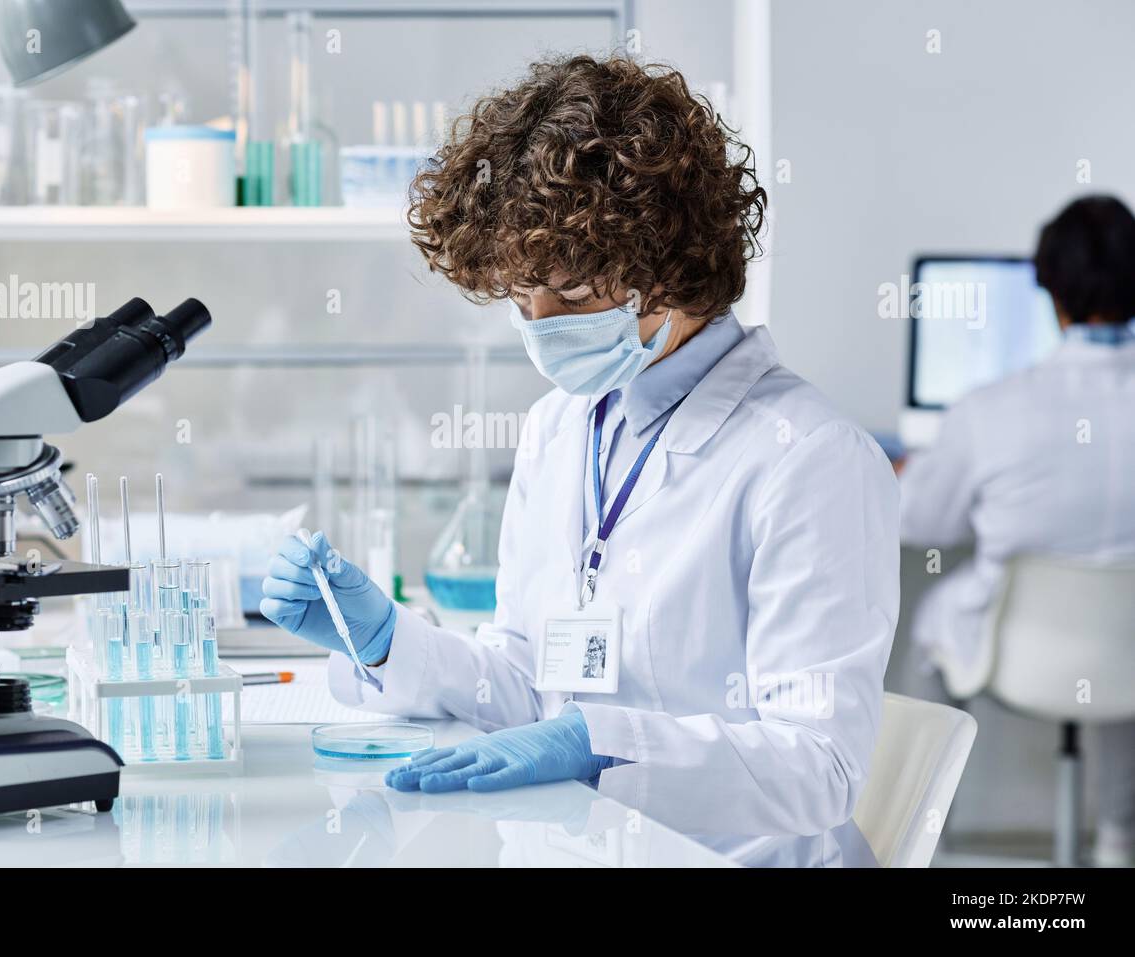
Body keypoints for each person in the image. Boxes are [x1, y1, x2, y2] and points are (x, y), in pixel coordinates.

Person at [262, 55, 898, 866]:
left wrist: (599, 741)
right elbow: (528, 684)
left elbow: (820, 767)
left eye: (567, 293)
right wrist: (385, 641)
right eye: (522, 300)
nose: (540, 326)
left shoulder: (809, 460)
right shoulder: (560, 428)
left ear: (667, 260)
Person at [898, 195, 1135, 866]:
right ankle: (1120, 839)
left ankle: (924, 840)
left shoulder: (989, 410)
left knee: (931, 615)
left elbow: (920, 522)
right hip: (1128, 667)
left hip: (1014, 659)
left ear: (1049, 289)